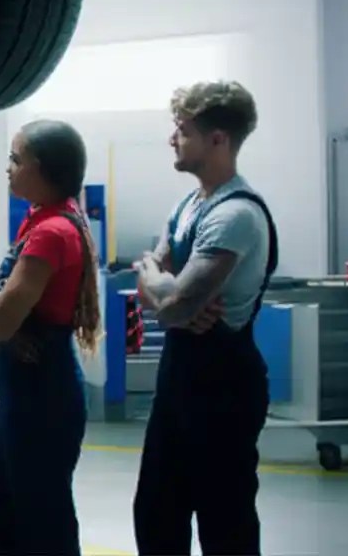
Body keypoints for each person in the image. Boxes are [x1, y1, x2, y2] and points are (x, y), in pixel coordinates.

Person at [132, 81, 277, 556]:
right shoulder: (188, 206)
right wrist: (162, 284)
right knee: (156, 512)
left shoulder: (235, 214)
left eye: (182, 130)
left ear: (218, 138)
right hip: (178, 380)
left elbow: (173, 306)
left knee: (225, 521)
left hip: (225, 387)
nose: (172, 139)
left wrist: (167, 292)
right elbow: (149, 280)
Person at [0, 119, 101, 556]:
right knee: (2, 510)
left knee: (39, 522)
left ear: (44, 168)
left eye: (16, 160)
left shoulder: (52, 232)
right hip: (23, 393)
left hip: (42, 395)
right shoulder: (43, 217)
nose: (8, 169)